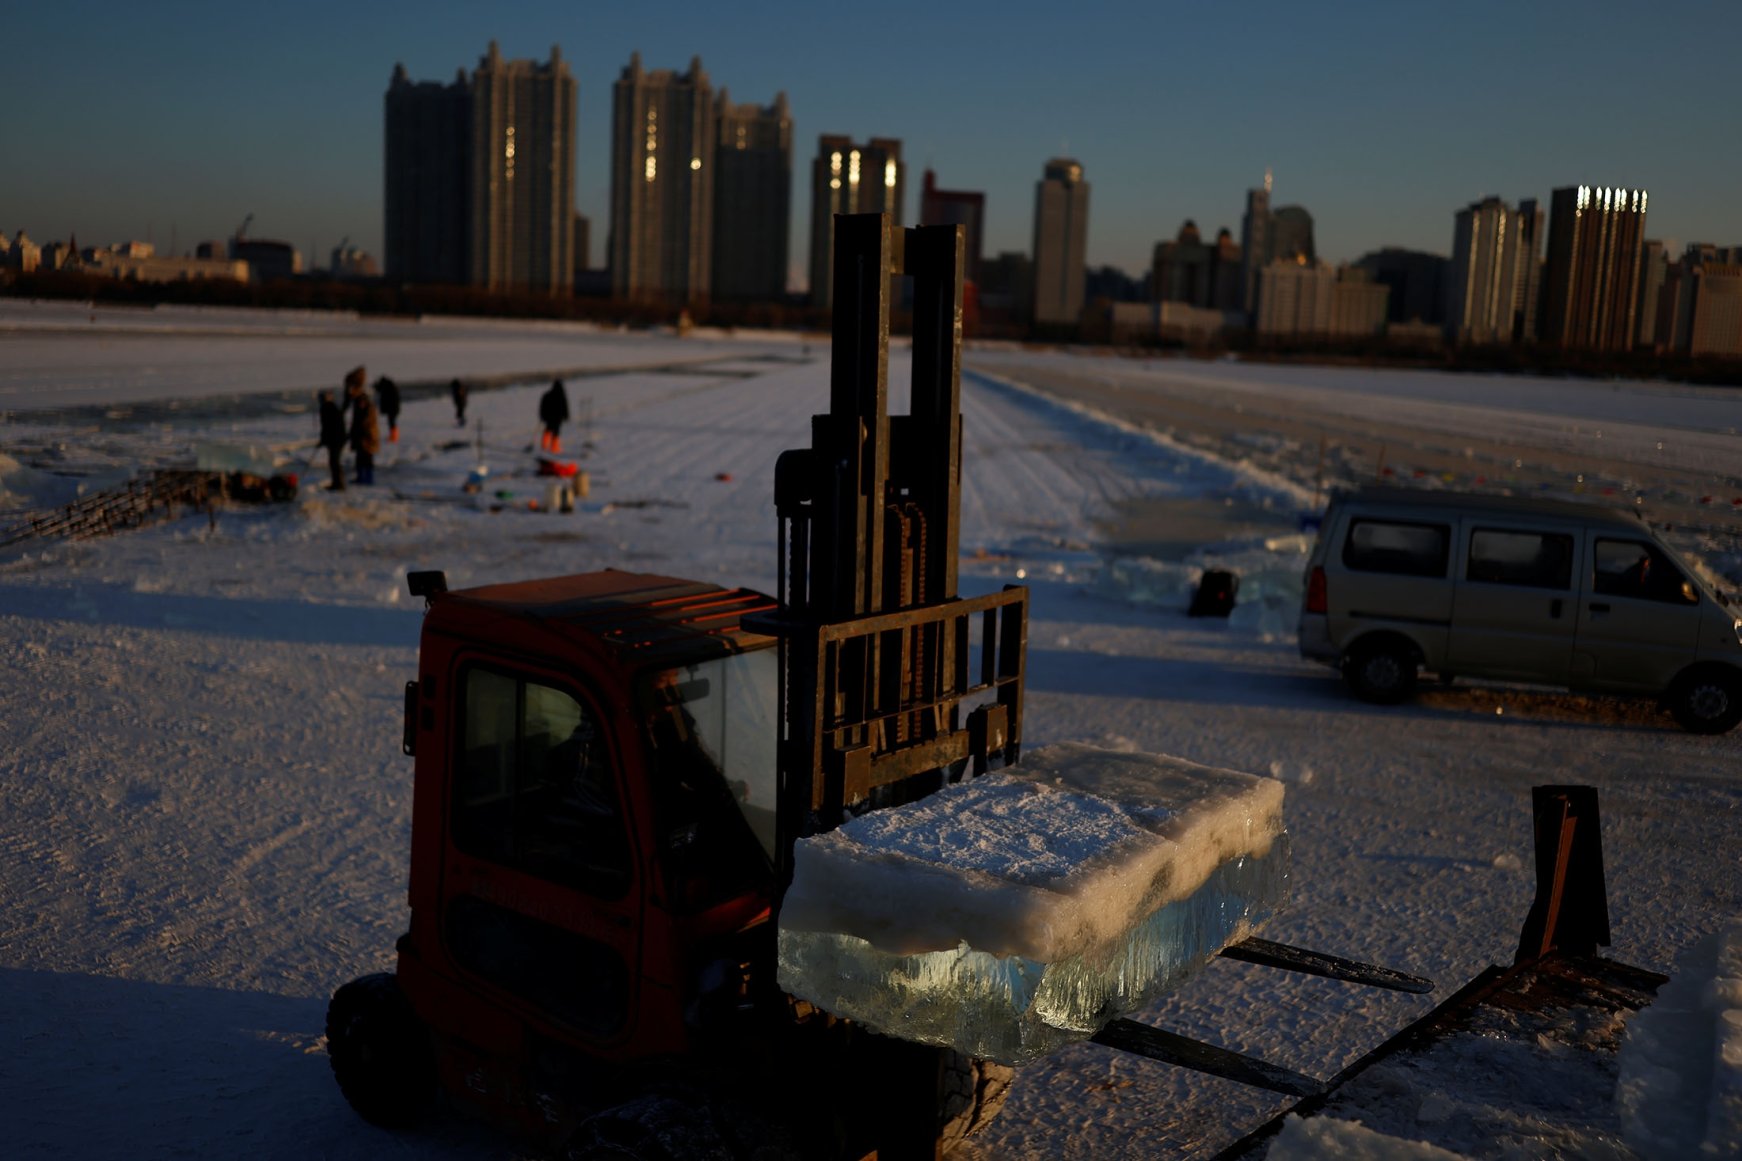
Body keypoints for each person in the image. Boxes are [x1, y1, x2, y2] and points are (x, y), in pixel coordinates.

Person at [345, 366, 380, 485]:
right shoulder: (359, 402)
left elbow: (367, 423)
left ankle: (368, 479)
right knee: (360, 459)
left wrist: (360, 433)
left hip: (367, 438)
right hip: (363, 438)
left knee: (366, 459)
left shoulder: (366, 405)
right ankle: (362, 478)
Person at [317, 389, 347, 492]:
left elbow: (327, 427)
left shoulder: (327, 408)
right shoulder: (331, 407)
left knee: (334, 461)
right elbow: (326, 427)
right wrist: (323, 439)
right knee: (334, 461)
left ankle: (338, 484)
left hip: (336, 439)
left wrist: (324, 439)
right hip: (337, 439)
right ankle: (337, 483)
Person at [539, 378, 570, 454]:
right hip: (557, 418)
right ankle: (554, 448)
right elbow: (565, 407)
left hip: (549, 418)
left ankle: (544, 445)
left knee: (548, 430)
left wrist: (542, 416)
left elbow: (542, 407)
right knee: (556, 432)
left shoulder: (547, 395)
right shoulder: (562, 395)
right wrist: (566, 416)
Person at [375, 376, 401, 444]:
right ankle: (393, 436)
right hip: (393, 408)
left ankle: (394, 437)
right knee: (391, 422)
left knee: (391, 422)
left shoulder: (388, 388)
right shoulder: (389, 386)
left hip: (392, 408)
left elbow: (384, 396)